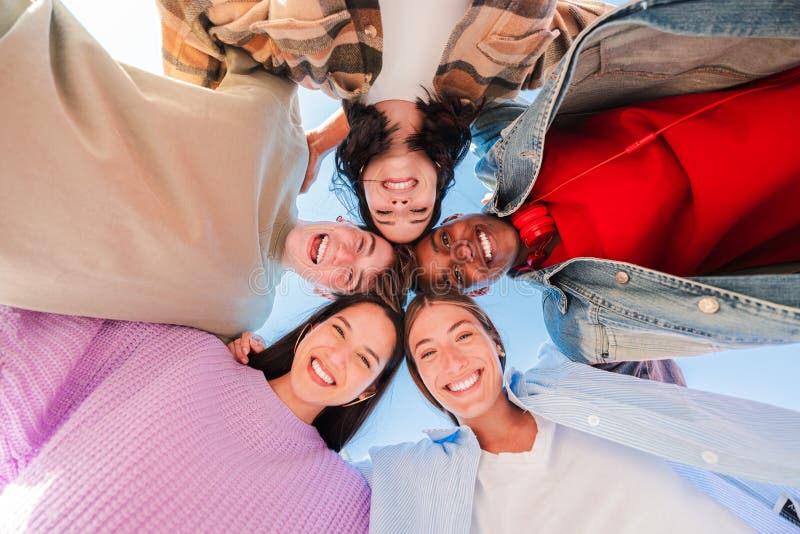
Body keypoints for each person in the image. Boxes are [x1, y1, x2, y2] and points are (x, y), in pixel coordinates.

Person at [410, 0, 800, 362]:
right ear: (479, 289)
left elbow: (462, 96)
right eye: (457, 276)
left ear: (449, 220)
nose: (460, 252)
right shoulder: (579, 318)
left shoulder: (502, 155)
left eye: (443, 241)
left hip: (772, 83)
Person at [0, 0, 397, 338]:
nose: (345, 256)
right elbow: (214, 19)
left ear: (324, 294)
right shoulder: (290, 143)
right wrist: (322, 142)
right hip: (21, 55)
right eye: (362, 245)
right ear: (346, 221)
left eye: (349, 278)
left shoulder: (244, 315)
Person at [158, 0, 612, 243]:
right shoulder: (510, 74)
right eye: (417, 211)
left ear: (363, 180)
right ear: (438, 181)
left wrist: (193, 137)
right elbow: (617, 36)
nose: (401, 205)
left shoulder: (310, 62)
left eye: (384, 212)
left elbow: (190, 9)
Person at [359, 293, 800, 532]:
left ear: (494, 341)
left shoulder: (566, 376)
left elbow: (603, 296)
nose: (452, 362)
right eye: (428, 353)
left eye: (463, 336)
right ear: (420, 377)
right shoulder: (408, 474)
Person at [0, 293, 404, 531]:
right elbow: (45, 360)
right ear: (310, 329)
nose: (337, 356)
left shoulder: (343, 498)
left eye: (363, 359)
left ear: (364, 392)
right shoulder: (194, 353)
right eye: (338, 331)